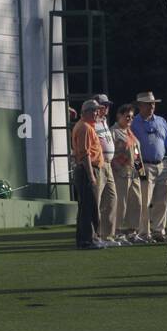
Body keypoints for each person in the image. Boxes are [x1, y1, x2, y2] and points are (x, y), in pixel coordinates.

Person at [131, 92, 167, 243]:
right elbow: (133, 148)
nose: (152, 106)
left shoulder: (161, 121)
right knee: (144, 200)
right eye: (148, 104)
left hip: (163, 165)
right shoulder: (133, 123)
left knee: (163, 200)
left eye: (153, 104)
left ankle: (158, 232)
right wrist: (138, 168)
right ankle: (143, 233)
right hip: (145, 165)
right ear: (140, 106)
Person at [70, 100, 106, 249]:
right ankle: (88, 240)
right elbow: (85, 154)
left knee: (86, 206)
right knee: (89, 207)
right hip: (87, 170)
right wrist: (91, 176)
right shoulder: (85, 127)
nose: (97, 113)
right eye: (94, 110)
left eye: (97, 110)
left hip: (87, 169)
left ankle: (86, 239)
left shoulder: (86, 126)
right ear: (85, 112)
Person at [111, 104, 148, 243]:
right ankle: (117, 231)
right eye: (127, 116)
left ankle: (132, 232)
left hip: (134, 175)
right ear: (119, 116)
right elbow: (109, 154)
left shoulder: (130, 133)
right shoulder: (113, 132)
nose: (130, 119)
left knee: (136, 202)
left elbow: (137, 154)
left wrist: (142, 173)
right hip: (120, 174)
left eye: (132, 117)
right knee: (121, 204)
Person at [94, 95, 120, 245]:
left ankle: (108, 236)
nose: (106, 108)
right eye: (103, 105)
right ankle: (96, 236)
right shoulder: (91, 123)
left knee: (112, 199)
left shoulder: (104, 122)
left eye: (107, 105)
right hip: (98, 164)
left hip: (109, 165)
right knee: (96, 201)